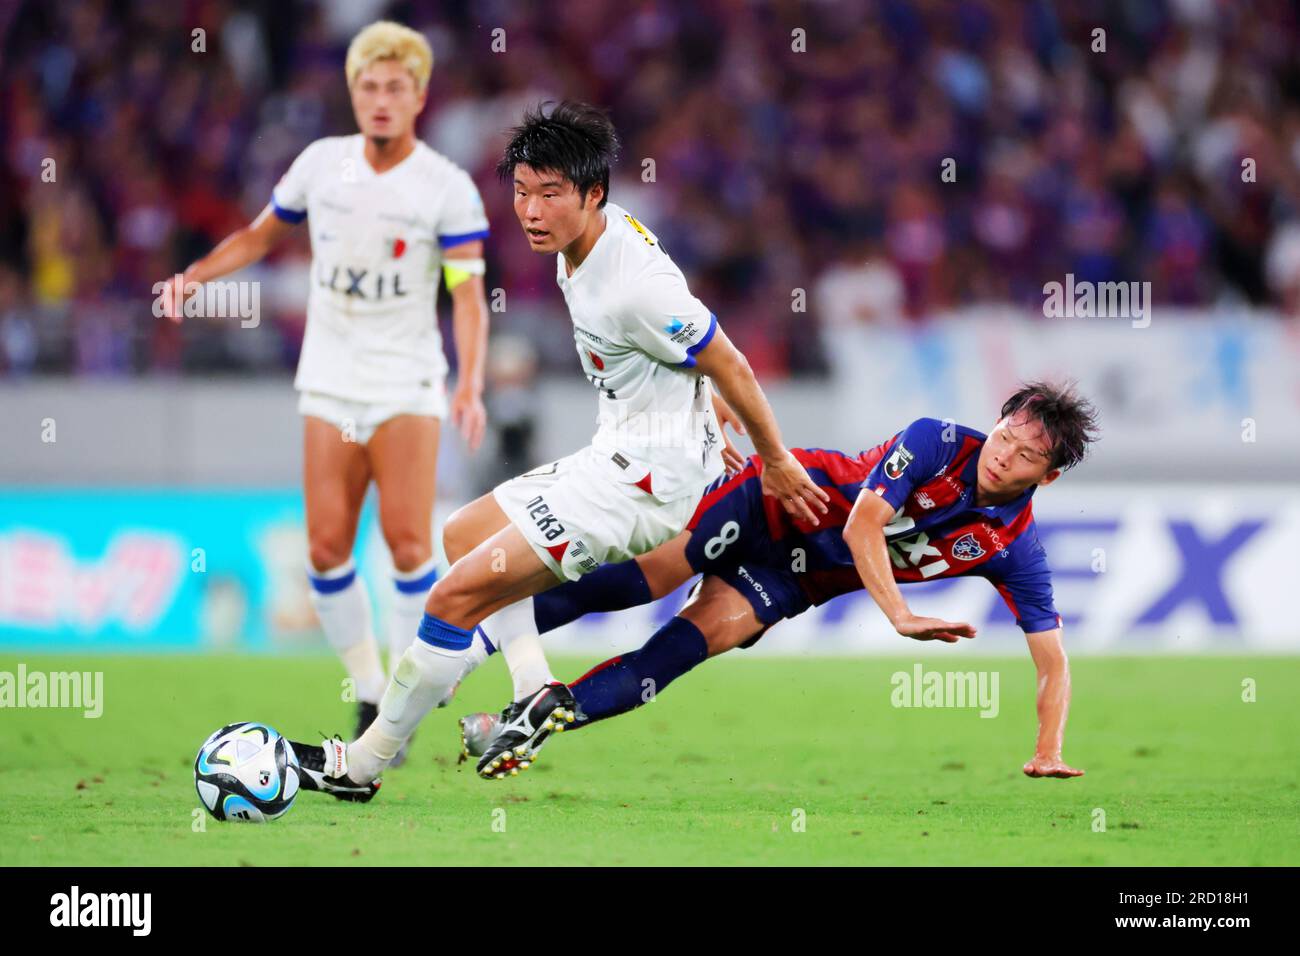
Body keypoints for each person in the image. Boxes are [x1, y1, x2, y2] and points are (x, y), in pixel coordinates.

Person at [289, 100, 827, 799]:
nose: (532, 212)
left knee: (452, 598)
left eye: (550, 195)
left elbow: (731, 361)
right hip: (619, 453)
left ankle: (362, 764)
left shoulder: (635, 282)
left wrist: (774, 457)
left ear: (593, 194)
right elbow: (682, 363)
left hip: (643, 483)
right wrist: (704, 419)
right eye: (521, 193)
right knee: (462, 532)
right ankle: (533, 687)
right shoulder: (584, 250)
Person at [457, 382, 1099, 780]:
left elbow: (1052, 659)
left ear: (1048, 477)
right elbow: (862, 527)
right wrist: (900, 614)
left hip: (796, 579)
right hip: (774, 500)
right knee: (646, 580)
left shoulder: (1016, 548)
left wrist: (1048, 748)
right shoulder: (936, 441)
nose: (1003, 452)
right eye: (1007, 433)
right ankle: (475, 631)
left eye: (1026, 455)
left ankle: (540, 715)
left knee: (681, 652)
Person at [157, 22, 491, 763]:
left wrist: (469, 383)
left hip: (407, 381)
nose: (380, 100)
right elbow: (256, 237)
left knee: (408, 543)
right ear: (352, 92)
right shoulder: (319, 167)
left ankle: (399, 709)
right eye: (368, 87)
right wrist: (194, 279)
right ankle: (370, 688)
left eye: (395, 88)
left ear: (419, 95)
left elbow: (468, 296)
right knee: (325, 547)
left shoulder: (447, 187)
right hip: (331, 383)